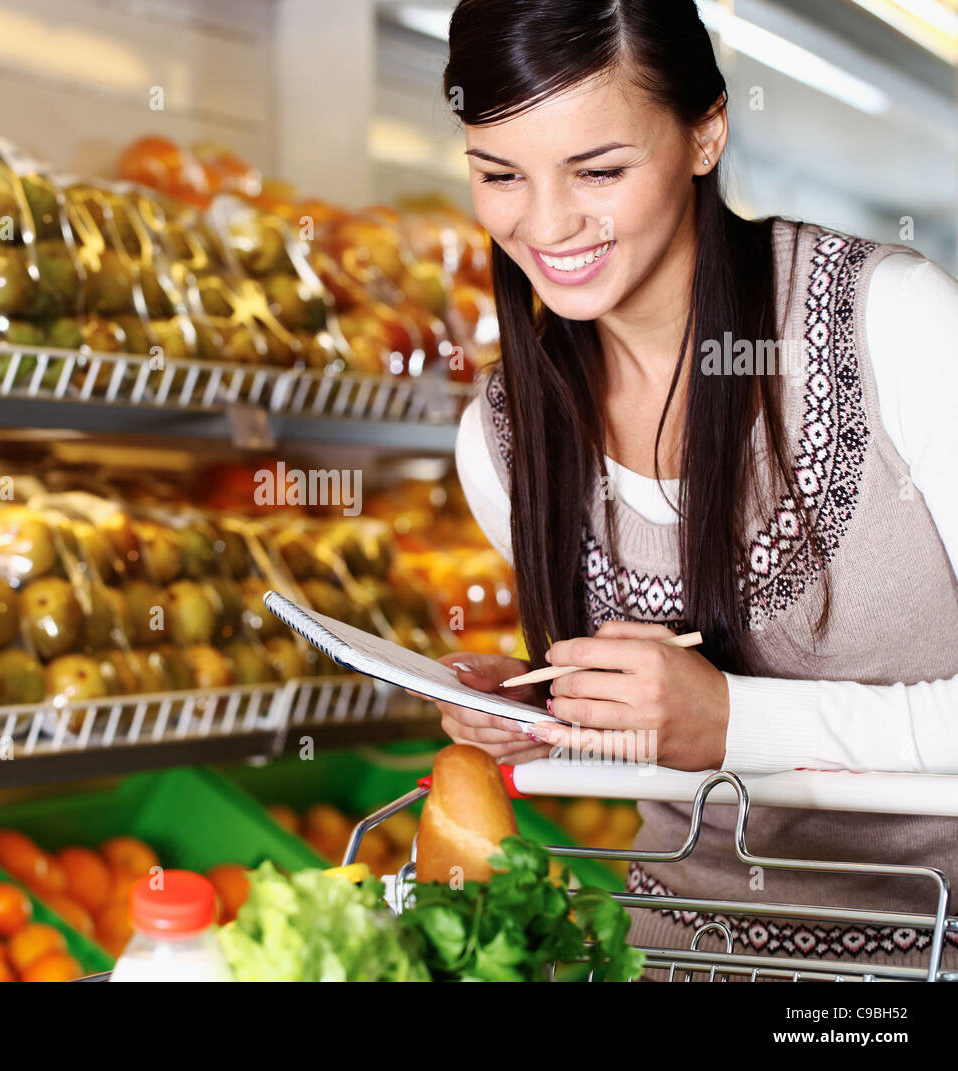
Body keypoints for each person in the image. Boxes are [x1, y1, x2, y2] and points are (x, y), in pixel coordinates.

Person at [433, 0, 958, 976]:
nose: (544, 223)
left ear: (704, 132)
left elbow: (719, 724)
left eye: (597, 170)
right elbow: (651, 740)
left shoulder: (897, 329)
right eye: (498, 174)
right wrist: (552, 709)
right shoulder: (504, 441)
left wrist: (736, 720)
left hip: (922, 958)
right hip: (663, 950)